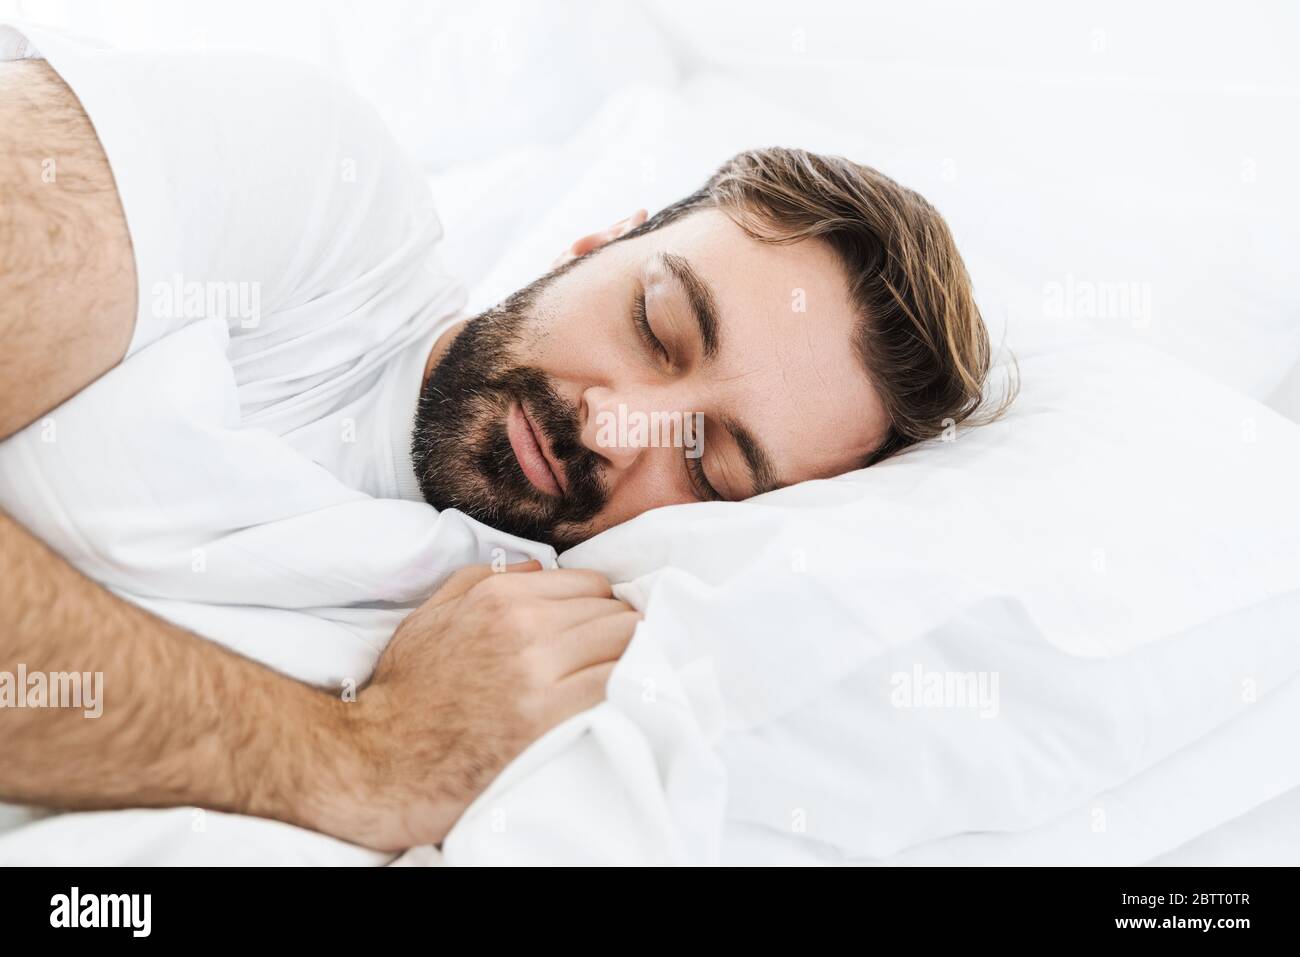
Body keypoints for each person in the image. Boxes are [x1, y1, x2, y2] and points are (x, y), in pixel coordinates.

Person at [0, 24, 1004, 851]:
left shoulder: (521, 668)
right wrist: (349, 756)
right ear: (600, 242)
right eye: (654, 327)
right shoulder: (322, 196)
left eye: (710, 466)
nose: (612, 428)